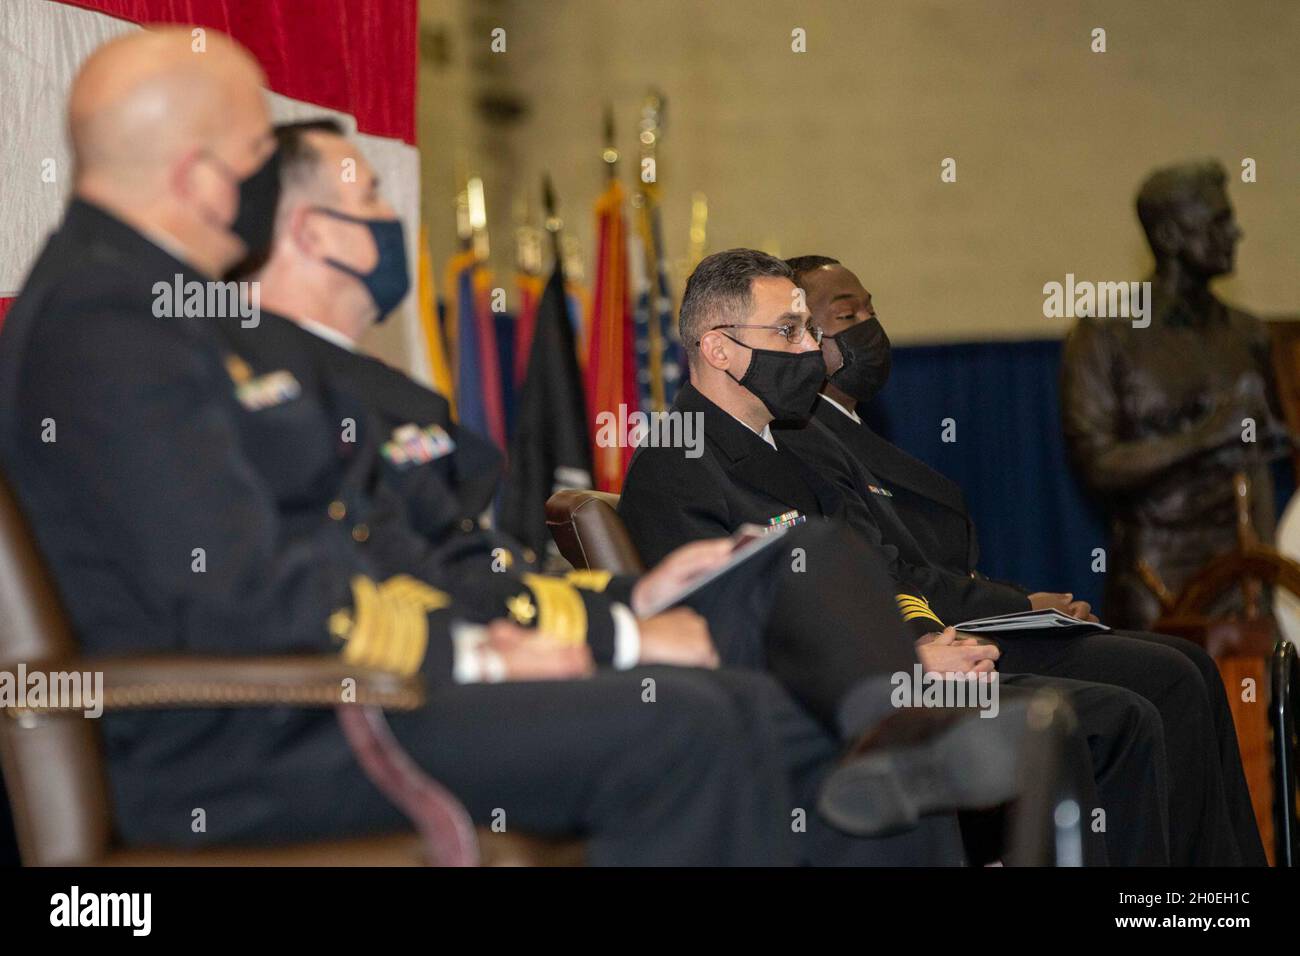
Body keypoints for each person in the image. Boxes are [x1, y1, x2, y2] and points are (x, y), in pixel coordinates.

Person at [0, 28, 808, 865]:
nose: (268, 186)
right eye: (255, 154)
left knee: (755, 710)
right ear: (201, 178)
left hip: (318, 698)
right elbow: (236, 592)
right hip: (249, 740)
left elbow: (351, 537)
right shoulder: (108, 323)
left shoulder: (169, 311)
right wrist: (474, 656)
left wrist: (547, 632)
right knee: (689, 725)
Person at [222, 118, 1063, 858]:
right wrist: (565, 640)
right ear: (308, 231)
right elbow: (291, 592)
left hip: (487, 639)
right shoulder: (235, 385)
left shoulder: (391, 397)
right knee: (727, 717)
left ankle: (895, 720)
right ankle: (899, 715)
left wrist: (616, 608)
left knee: (805, 569)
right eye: (370, 195)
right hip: (376, 693)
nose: (392, 216)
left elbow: (468, 563)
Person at [616, 249, 1198, 865]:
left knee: (1122, 716)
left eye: (809, 330)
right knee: (1098, 722)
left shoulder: (791, 447)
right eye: (788, 332)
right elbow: (712, 640)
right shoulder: (676, 468)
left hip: (892, 670)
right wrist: (903, 664)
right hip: (815, 706)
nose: (812, 350)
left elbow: (871, 572)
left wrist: (926, 640)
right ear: (718, 349)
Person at [786, 253, 1267, 866]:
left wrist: (1028, 606)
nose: (870, 326)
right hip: (945, 640)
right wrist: (1021, 605)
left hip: (964, 619)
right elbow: (895, 577)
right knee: (1166, 678)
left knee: (1189, 663)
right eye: (847, 314)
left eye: (873, 308)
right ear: (801, 337)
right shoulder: (808, 437)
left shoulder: (847, 428)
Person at [1061, 160, 1289, 629]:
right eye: (1218, 221)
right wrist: (1209, 433)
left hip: (1247, 572)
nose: (1236, 233)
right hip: (1158, 578)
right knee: (1171, 694)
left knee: (1260, 702)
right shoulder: (1107, 336)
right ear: (1168, 237)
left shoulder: (1247, 333)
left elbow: (1268, 451)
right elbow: (1100, 465)